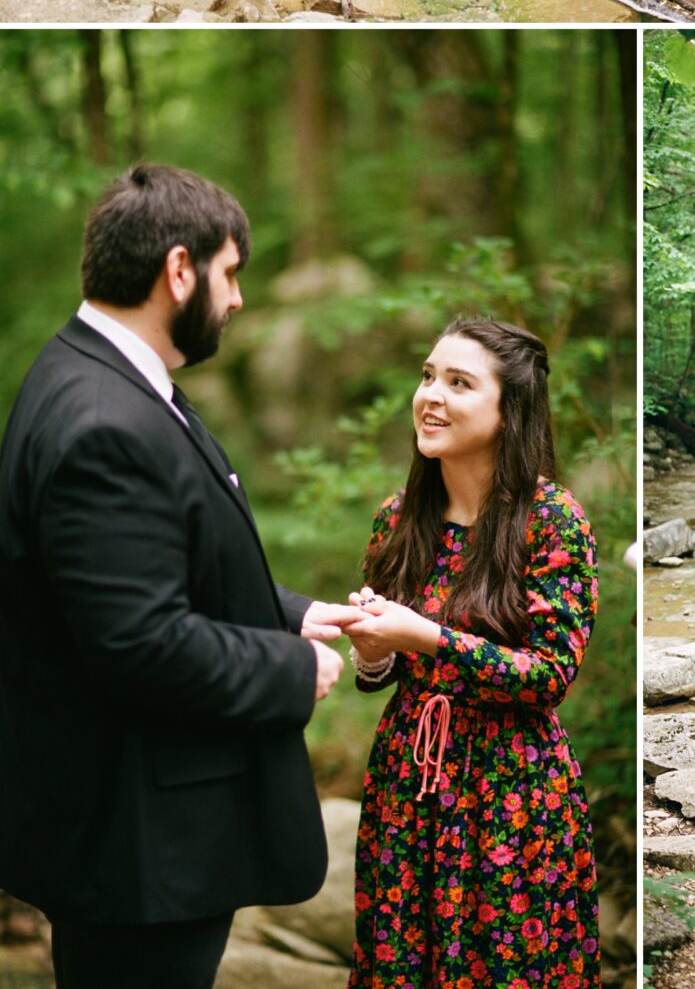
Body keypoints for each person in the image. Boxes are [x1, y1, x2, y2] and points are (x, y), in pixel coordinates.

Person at [0, 164, 360, 989]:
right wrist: (292, 667)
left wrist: (292, 613)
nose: (236, 299)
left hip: (136, 830)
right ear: (178, 269)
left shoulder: (102, 373)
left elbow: (147, 573)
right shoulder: (103, 422)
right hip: (135, 845)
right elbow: (138, 640)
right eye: (230, 272)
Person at [344, 317, 599, 989]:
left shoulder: (551, 519)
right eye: (428, 375)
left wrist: (423, 635)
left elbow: (549, 674)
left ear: (509, 410)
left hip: (511, 792)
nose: (432, 394)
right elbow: (387, 673)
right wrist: (375, 651)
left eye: (459, 382)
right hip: (409, 781)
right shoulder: (398, 516)